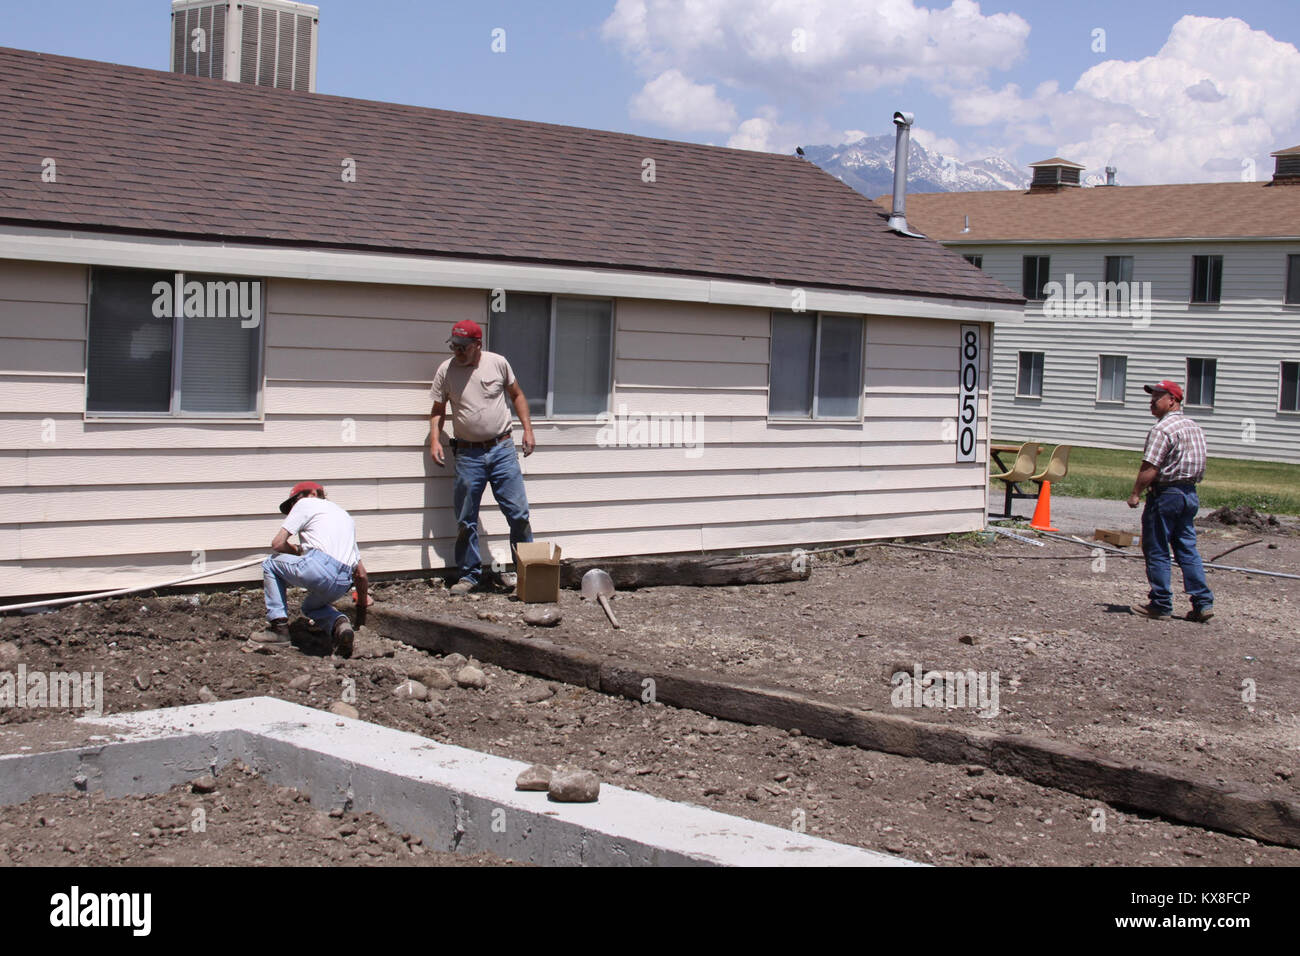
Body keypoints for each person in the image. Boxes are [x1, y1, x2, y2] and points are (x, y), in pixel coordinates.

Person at [429, 319, 536, 595]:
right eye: (454, 346)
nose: (458, 351)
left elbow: (518, 395)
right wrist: (434, 440)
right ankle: (469, 576)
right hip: (468, 454)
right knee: (466, 518)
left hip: (502, 450)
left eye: (463, 347)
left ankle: (528, 578)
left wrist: (527, 430)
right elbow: (438, 408)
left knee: (519, 514)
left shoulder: (498, 363)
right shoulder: (447, 370)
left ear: (478, 345)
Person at [1126, 380, 1214, 622]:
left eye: (1158, 396)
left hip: (1165, 494)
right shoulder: (1194, 427)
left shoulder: (1162, 429)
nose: (1152, 401)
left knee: (1156, 548)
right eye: (1152, 396)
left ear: (1172, 401)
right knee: (1187, 548)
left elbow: (1151, 466)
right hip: (1189, 493)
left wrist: (1136, 493)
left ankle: (1161, 603)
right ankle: (1202, 603)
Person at [258, 481, 369, 656]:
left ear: (313, 494)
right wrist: (362, 605)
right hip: (342, 582)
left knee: (270, 564)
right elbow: (361, 573)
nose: (294, 507)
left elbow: (277, 544)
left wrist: (295, 551)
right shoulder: (345, 517)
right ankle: (340, 625)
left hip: (319, 567)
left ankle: (278, 629)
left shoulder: (305, 503)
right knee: (311, 607)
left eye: (294, 501)